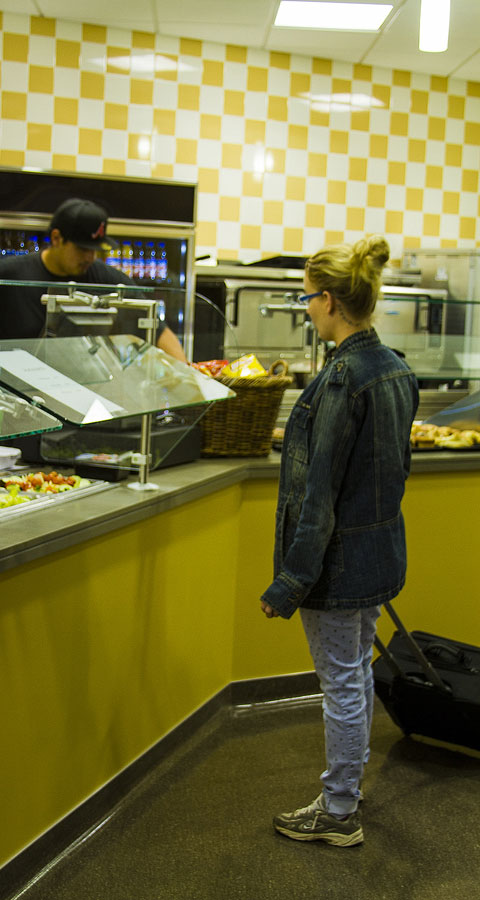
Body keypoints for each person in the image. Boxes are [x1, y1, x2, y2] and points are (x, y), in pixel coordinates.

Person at [260, 236, 419, 847]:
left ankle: (339, 810)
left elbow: (317, 497)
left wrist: (289, 583)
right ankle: (342, 797)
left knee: (342, 683)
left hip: (336, 563)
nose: (306, 309)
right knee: (355, 674)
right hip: (377, 550)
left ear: (328, 300)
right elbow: (394, 470)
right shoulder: (395, 367)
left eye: (307, 298)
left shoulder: (342, 380)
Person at [0, 198, 187, 362]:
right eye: (82, 249)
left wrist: (189, 376)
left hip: (85, 399)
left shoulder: (105, 278)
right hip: (20, 403)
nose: (90, 257)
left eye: (95, 250)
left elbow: (156, 328)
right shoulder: (7, 275)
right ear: (57, 238)